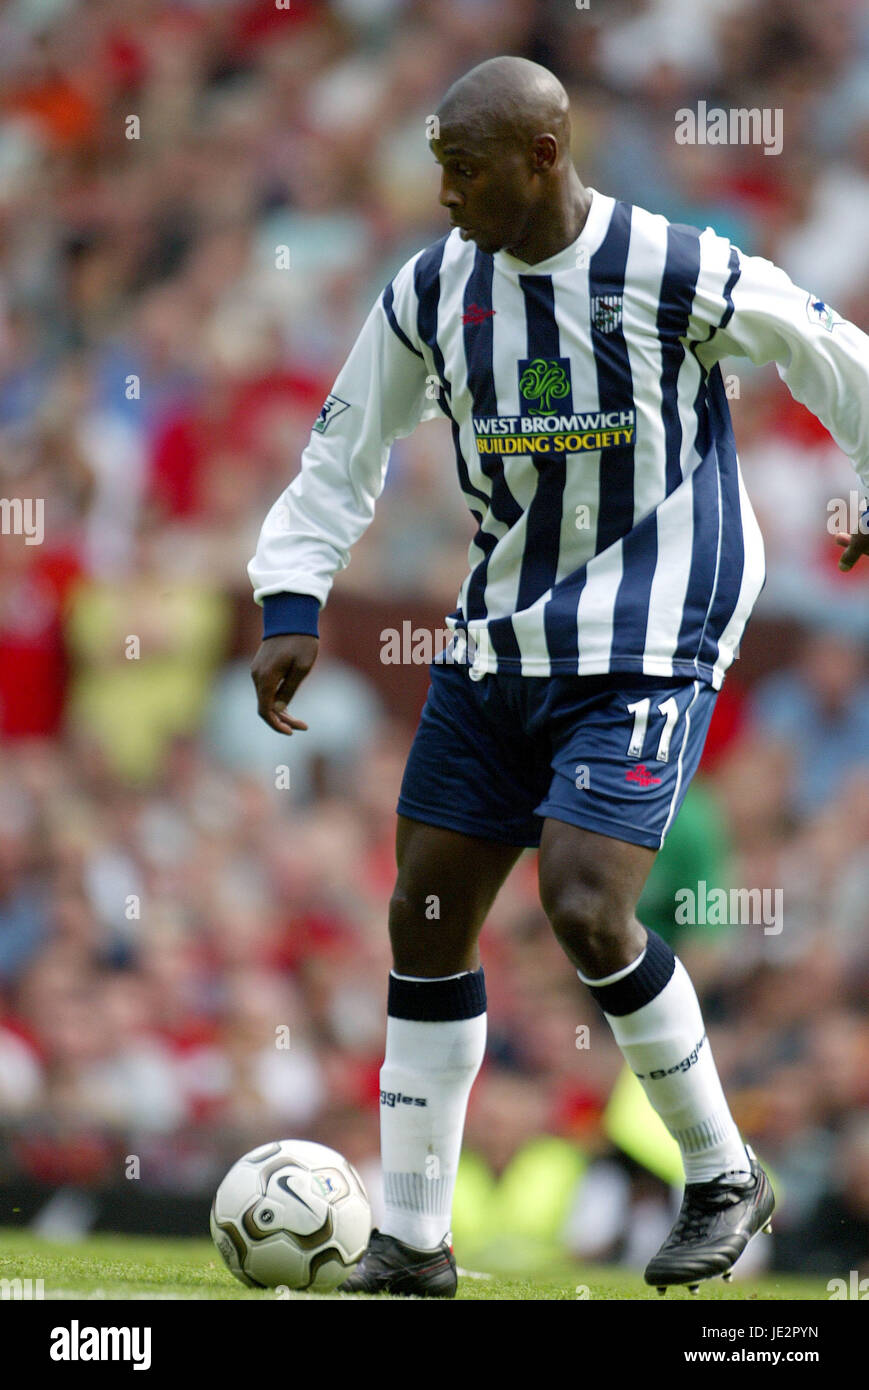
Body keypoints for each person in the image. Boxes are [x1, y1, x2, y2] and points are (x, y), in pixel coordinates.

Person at [248, 56, 869, 1296]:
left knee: (585, 903)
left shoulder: (669, 266)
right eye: (435, 169)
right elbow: (344, 442)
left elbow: (821, 343)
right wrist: (291, 593)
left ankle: (720, 1173)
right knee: (423, 917)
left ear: (541, 155)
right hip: (500, 642)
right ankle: (414, 1243)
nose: (442, 195)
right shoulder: (431, 293)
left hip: (649, 637)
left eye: (462, 168)